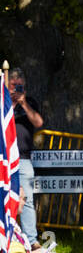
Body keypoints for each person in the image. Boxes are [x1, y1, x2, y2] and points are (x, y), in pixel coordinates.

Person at [6, 67, 41, 244]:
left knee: (26, 199)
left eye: (20, 86)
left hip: (24, 158)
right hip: (5, 158)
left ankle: (31, 239)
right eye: (14, 86)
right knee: (4, 196)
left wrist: (23, 103)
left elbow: (39, 122)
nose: (17, 89)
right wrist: (10, 103)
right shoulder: (2, 102)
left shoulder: (30, 102)